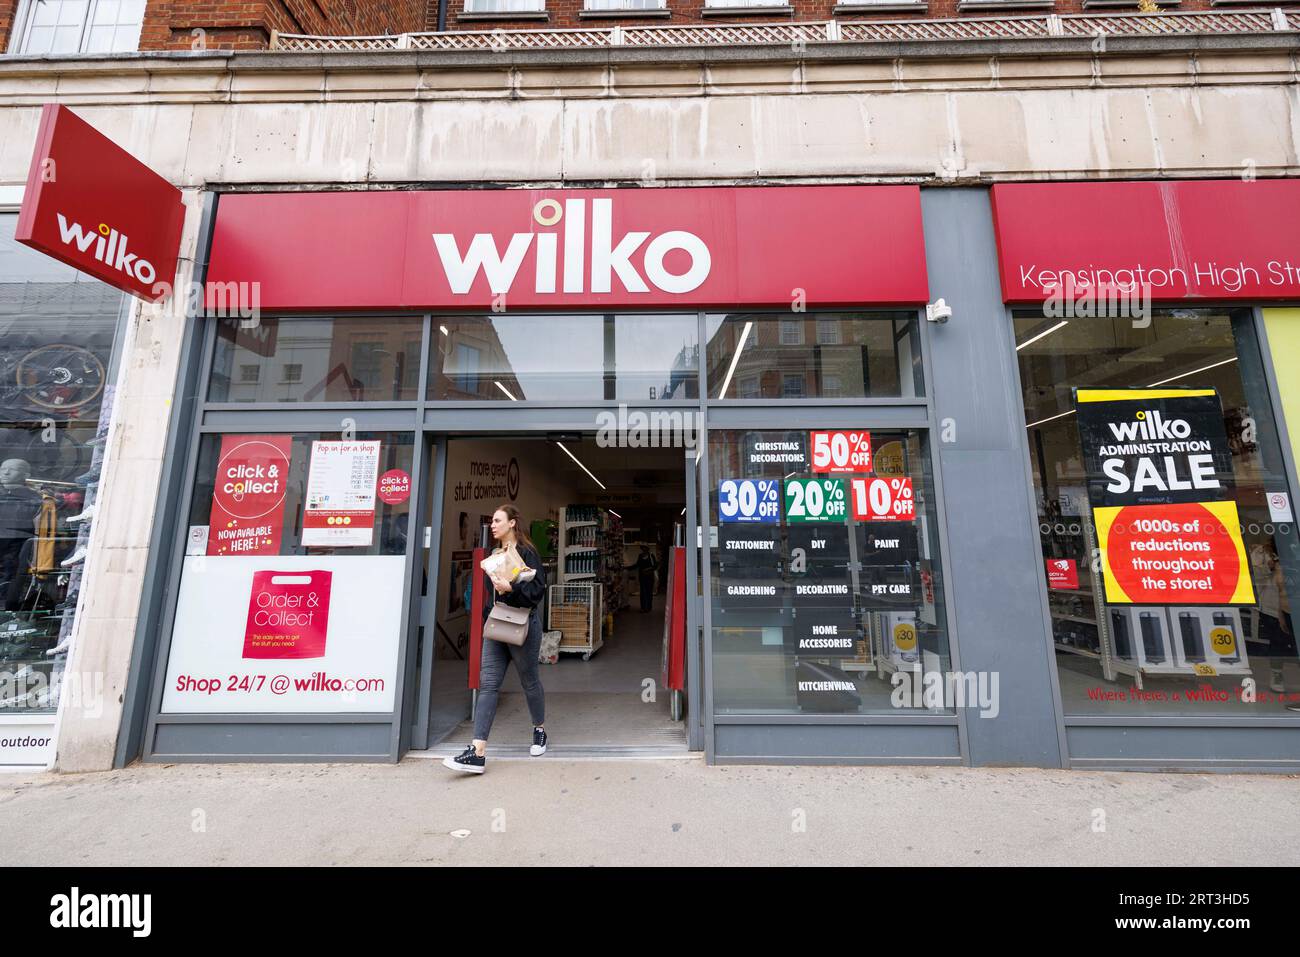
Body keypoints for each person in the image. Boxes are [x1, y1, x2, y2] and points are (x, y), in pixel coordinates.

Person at [443, 504, 547, 774]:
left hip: (522, 623)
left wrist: (511, 588)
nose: (493, 525)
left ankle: (539, 730)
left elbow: (537, 591)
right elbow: (492, 594)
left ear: (512, 523)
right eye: (492, 521)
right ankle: (477, 751)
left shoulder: (527, 553)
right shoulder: (494, 555)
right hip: (497, 623)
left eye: (498, 520)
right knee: (488, 684)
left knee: (529, 680)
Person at [632, 544, 657, 613]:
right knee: (642, 592)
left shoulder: (651, 556)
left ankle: (648, 607)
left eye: (645, 548)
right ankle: (643, 607)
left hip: (649, 577)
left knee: (649, 592)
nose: (643, 549)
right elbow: (637, 565)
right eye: (642, 548)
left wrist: (647, 569)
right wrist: (628, 568)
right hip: (642, 577)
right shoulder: (640, 556)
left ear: (647, 549)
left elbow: (655, 566)